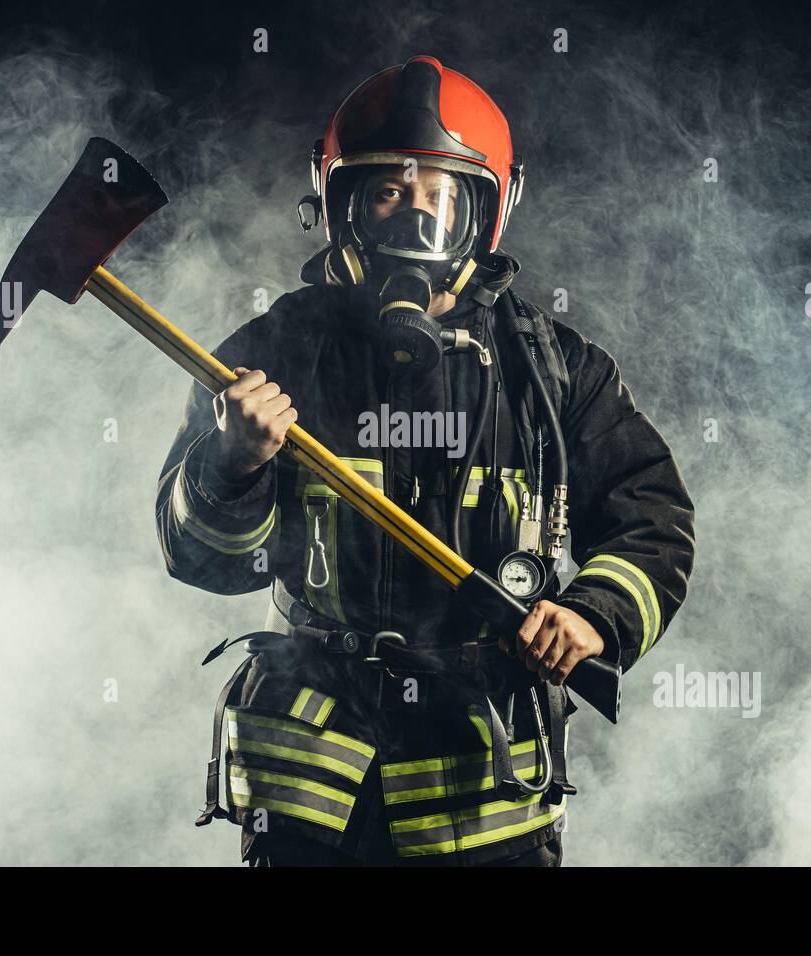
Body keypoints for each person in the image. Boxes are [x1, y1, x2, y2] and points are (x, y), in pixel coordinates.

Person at [157, 55, 696, 866]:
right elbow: (199, 558)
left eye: (440, 197)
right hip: (311, 800)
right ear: (343, 206)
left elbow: (651, 518)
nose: (415, 221)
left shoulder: (555, 372)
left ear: (485, 212)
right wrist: (232, 463)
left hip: (485, 800)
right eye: (388, 193)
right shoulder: (270, 358)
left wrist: (591, 615)